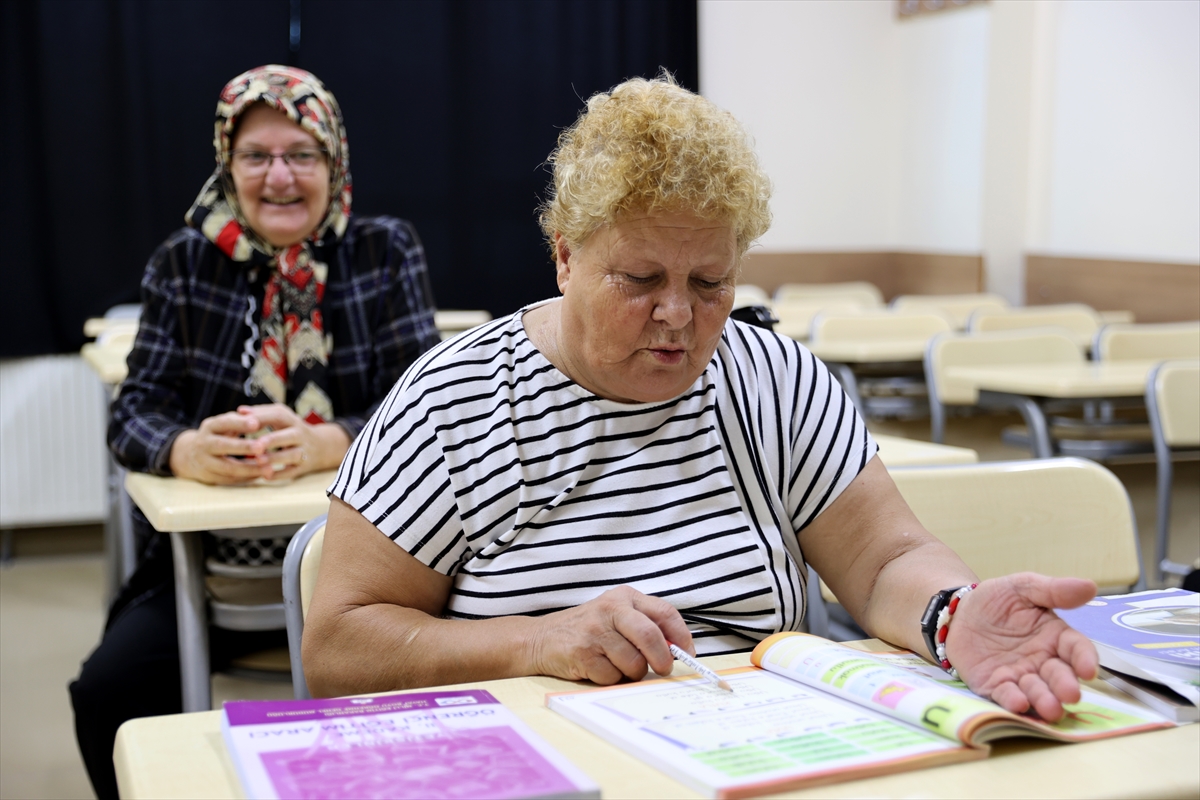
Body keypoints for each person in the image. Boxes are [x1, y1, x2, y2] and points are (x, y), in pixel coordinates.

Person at [303, 74, 1098, 727]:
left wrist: (953, 617)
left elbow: (885, 559)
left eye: (711, 282)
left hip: (752, 741)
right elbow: (339, 646)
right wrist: (537, 641)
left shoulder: (773, 379)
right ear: (565, 257)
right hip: (537, 744)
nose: (679, 315)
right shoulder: (455, 401)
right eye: (640, 280)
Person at [69, 65, 440, 800]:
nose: (279, 177)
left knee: (428, 712)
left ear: (333, 163)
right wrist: (184, 449)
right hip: (205, 574)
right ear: (226, 165)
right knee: (105, 697)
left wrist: (334, 438)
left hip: (374, 576)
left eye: (301, 155)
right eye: (256, 156)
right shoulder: (183, 263)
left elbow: (425, 406)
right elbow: (133, 408)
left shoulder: (386, 251)